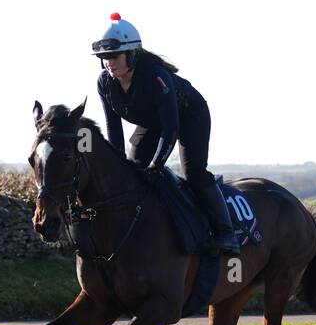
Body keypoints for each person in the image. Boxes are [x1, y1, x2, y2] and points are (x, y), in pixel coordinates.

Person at [92, 13, 240, 255]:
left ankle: (226, 232)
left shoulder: (154, 75)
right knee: (132, 171)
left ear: (131, 54)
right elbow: (114, 131)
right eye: (103, 57)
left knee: (193, 173)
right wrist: (117, 165)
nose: (108, 62)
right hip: (152, 122)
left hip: (190, 116)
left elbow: (171, 128)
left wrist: (157, 165)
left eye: (113, 56)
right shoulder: (104, 82)